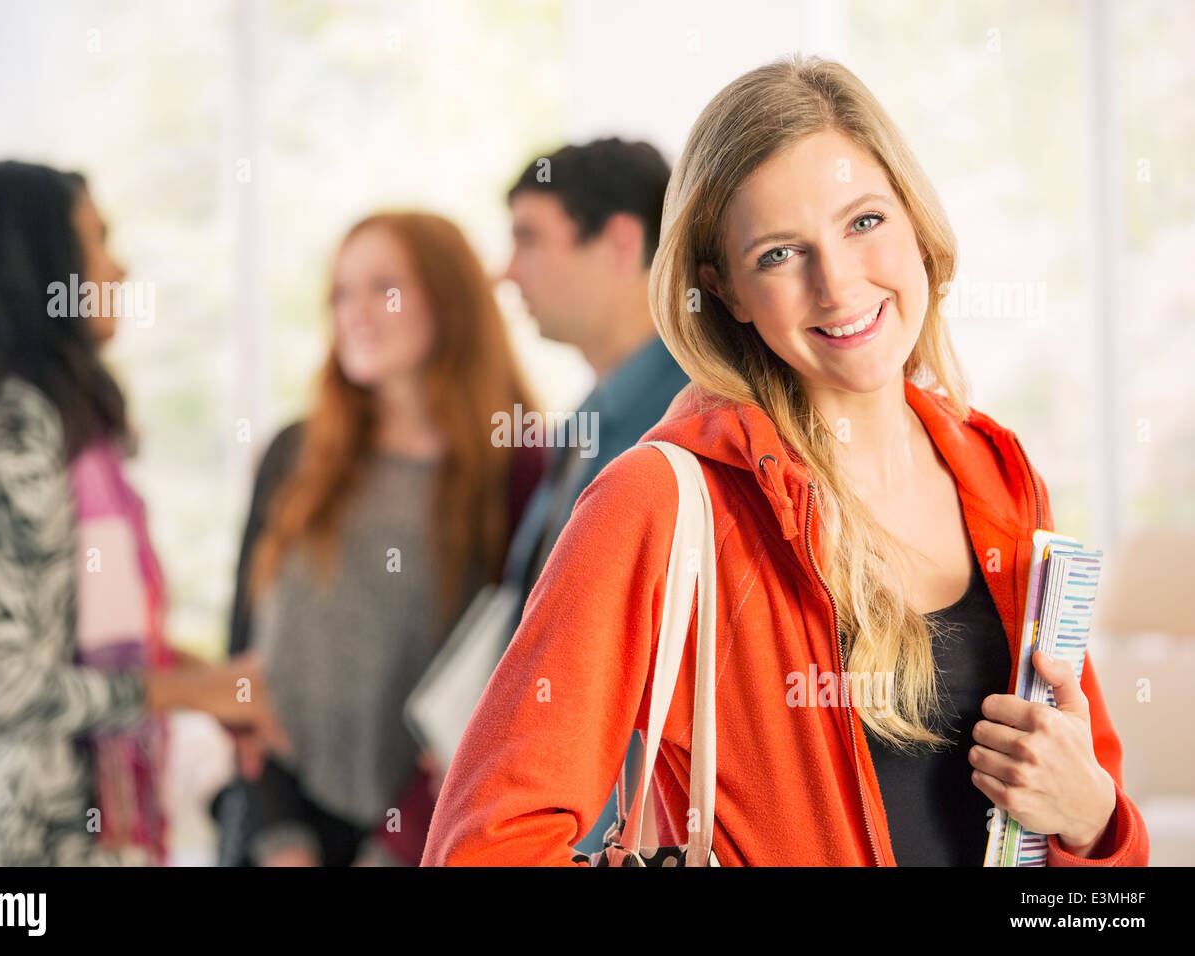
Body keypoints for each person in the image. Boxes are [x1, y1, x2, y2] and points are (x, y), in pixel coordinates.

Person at [421, 55, 1150, 866]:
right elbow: (483, 846)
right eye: (778, 254)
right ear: (723, 290)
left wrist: (1091, 820)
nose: (837, 284)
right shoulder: (658, 503)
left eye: (864, 221)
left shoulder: (1002, 477)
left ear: (914, 219)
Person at [0, 160, 287, 866]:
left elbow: (59, 635)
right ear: (40, 269)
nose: (118, 267)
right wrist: (191, 689)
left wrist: (213, 683)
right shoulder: (18, 430)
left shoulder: (34, 423)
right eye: (97, 241)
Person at [215, 212, 544, 867]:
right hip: (275, 828)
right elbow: (243, 665)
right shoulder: (294, 454)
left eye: (383, 288)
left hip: (428, 837)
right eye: (341, 292)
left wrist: (397, 848)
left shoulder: (520, 469)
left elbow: (508, 690)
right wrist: (282, 842)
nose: (355, 312)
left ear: (449, 299)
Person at [416, 138, 690, 857]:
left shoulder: (689, 423)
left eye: (530, 238)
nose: (507, 272)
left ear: (621, 241)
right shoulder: (584, 424)